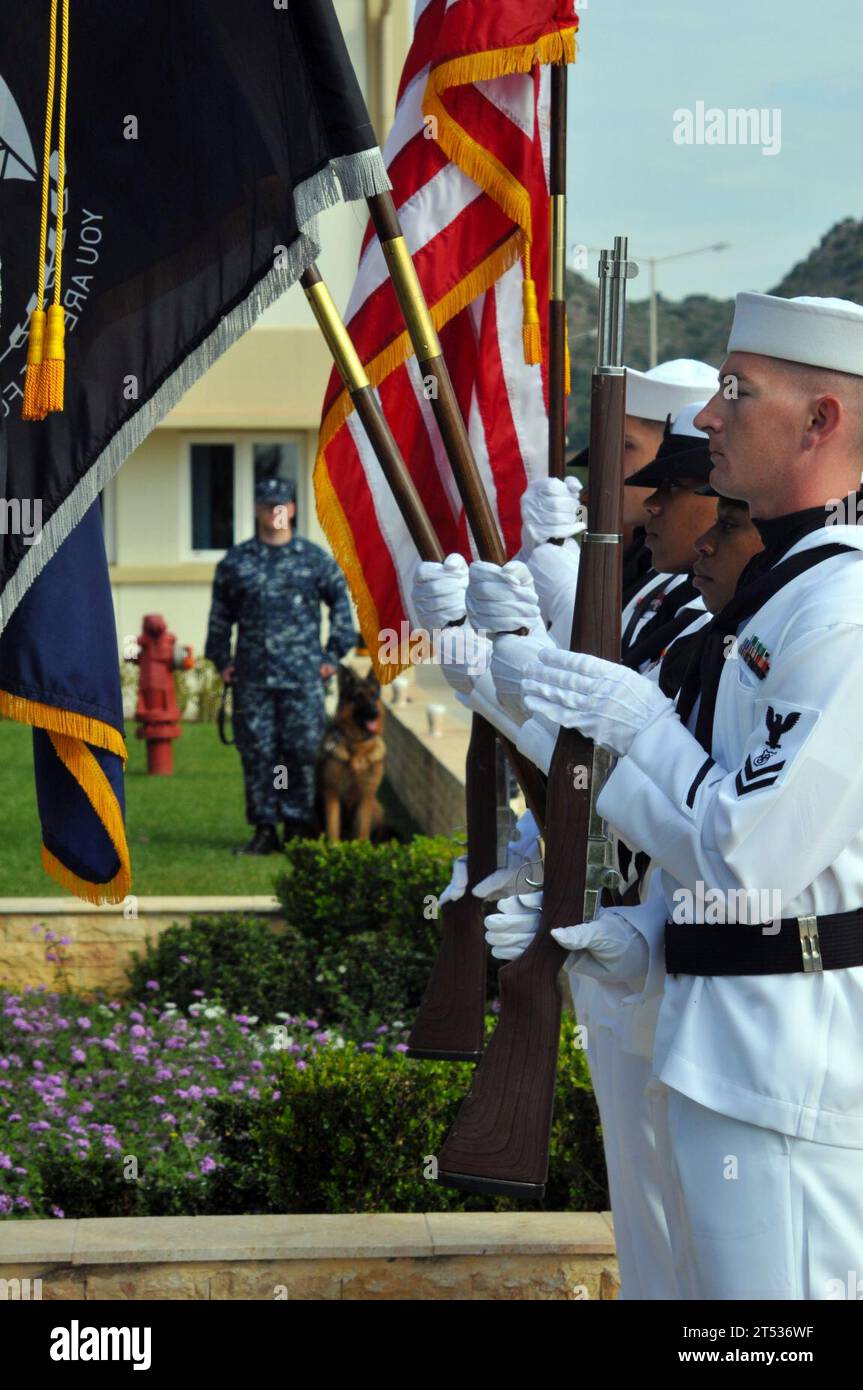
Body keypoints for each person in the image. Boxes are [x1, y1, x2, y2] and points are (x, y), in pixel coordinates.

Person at [510, 292, 863, 1299]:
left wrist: (639, 725)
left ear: (819, 420)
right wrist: (650, 932)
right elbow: (703, 832)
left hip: (784, 1052)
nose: (706, 418)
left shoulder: (835, 612)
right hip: (723, 1030)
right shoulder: (788, 594)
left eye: (735, 393)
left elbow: (750, 854)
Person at [205, 476, 357, 853]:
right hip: (253, 678)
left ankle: (295, 823)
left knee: (298, 753)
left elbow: (341, 605)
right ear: (257, 509)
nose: (274, 511)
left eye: (281, 504)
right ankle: (264, 828)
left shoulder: (314, 559)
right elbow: (220, 617)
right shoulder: (237, 562)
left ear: (291, 509)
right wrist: (222, 660)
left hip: (301, 678)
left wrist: (331, 655)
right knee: (261, 754)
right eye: (266, 504)